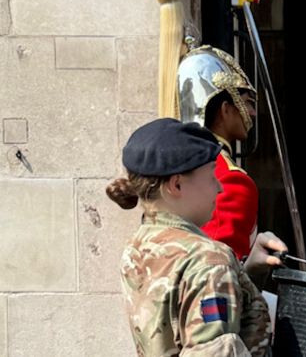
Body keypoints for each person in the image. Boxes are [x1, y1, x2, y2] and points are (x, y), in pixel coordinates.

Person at [108, 118, 288, 355]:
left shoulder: (139, 245)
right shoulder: (208, 259)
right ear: (177, 185)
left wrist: (247, 273)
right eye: (212, 176)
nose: (220, 188)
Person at [157, 0, 260, 260]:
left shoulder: (178, 171)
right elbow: (221, 271)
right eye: (247, 103)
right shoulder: (229, 181)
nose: (251, 114)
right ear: (225, 109)